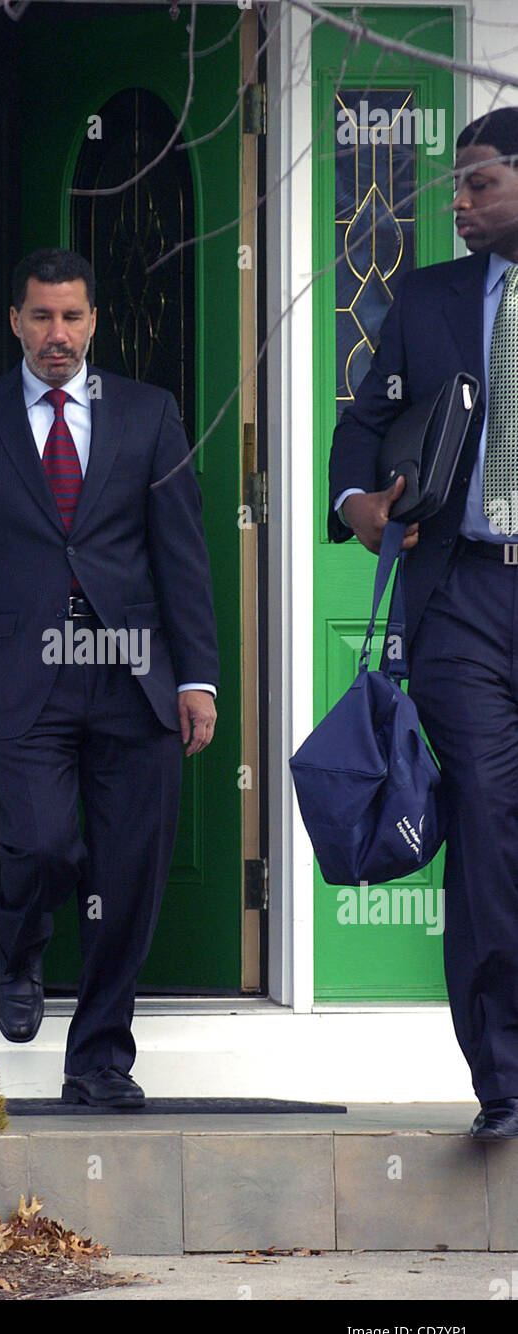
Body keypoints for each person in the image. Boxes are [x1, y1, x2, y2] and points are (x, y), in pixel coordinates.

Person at [0, 248, 219, 1107]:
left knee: (129, 875)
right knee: (44, 839)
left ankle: (98, 1061)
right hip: (21, 675)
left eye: (73, 316)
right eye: (42, 317)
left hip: (131, 675)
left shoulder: (148, 413)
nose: (58, 334)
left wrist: (196, 674)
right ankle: (16, 946)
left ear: (94, 320)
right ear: (14, 321)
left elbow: (182, 557)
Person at [329, 108, 518, 1140]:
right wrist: (356, 504)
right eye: (455, 183)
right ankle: (502, 1080)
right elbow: (362, 424)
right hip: (460, 600)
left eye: (478, 181)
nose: (457, 200)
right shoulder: (428, 300)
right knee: (486, 826)